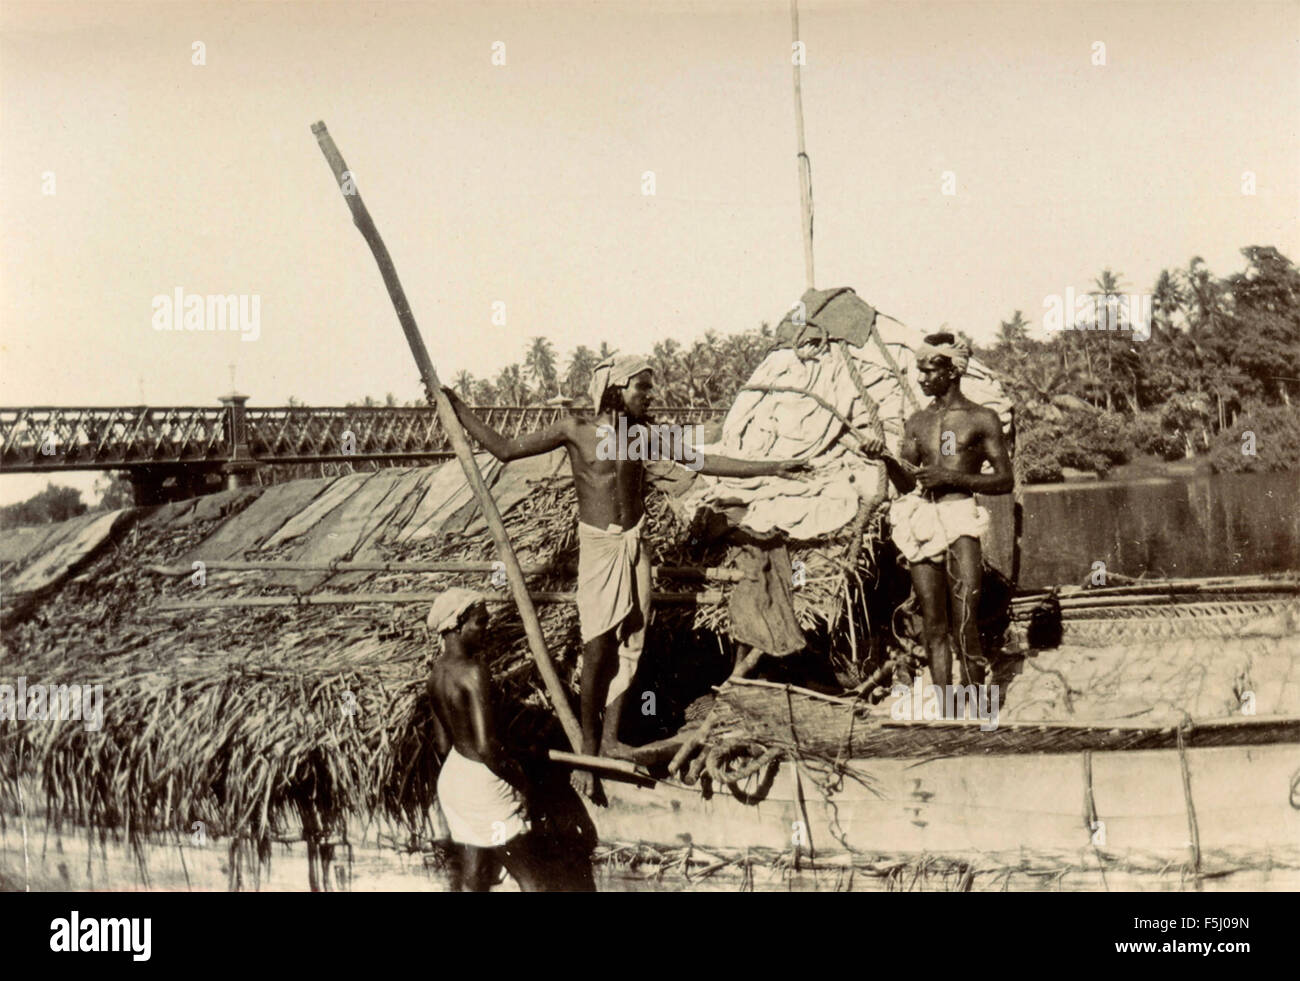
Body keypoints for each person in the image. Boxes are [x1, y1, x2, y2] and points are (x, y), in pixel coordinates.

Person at [443, 355, 805, 799]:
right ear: (616, 389)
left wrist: (771, 469)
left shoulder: (641, 436)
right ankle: (592, 750)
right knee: (597, 644)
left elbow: (705, 461)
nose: (649, 396)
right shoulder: (574, 430)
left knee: (632, 639)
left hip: (636, 545)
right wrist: (459, 409)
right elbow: (505, 449)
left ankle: (612, 738)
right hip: (599, 546)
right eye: (643, 388)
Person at [881, 333, 1013, 700]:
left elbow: (1005, 480)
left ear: (952, 371)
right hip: (922, 518)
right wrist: (886, 460)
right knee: (933, 625)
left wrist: (953, 477)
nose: (921, 379)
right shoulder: (917, 422)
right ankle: (945, 707)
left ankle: (972, 703)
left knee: (966, 618)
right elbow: (908, 482)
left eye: (928, 371)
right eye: (919, 371)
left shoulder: (981, 418)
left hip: (959, 516)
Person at [426, 587, 549, 891]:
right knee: (534, 881)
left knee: (474, 880)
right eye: (480, 622)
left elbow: (443, 744)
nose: (486, 628)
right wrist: (521, 780)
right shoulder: (474, 672)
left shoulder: (436, 673)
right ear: (456, 625)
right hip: (483, 781)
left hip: (455, 780)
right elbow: (485, 747)